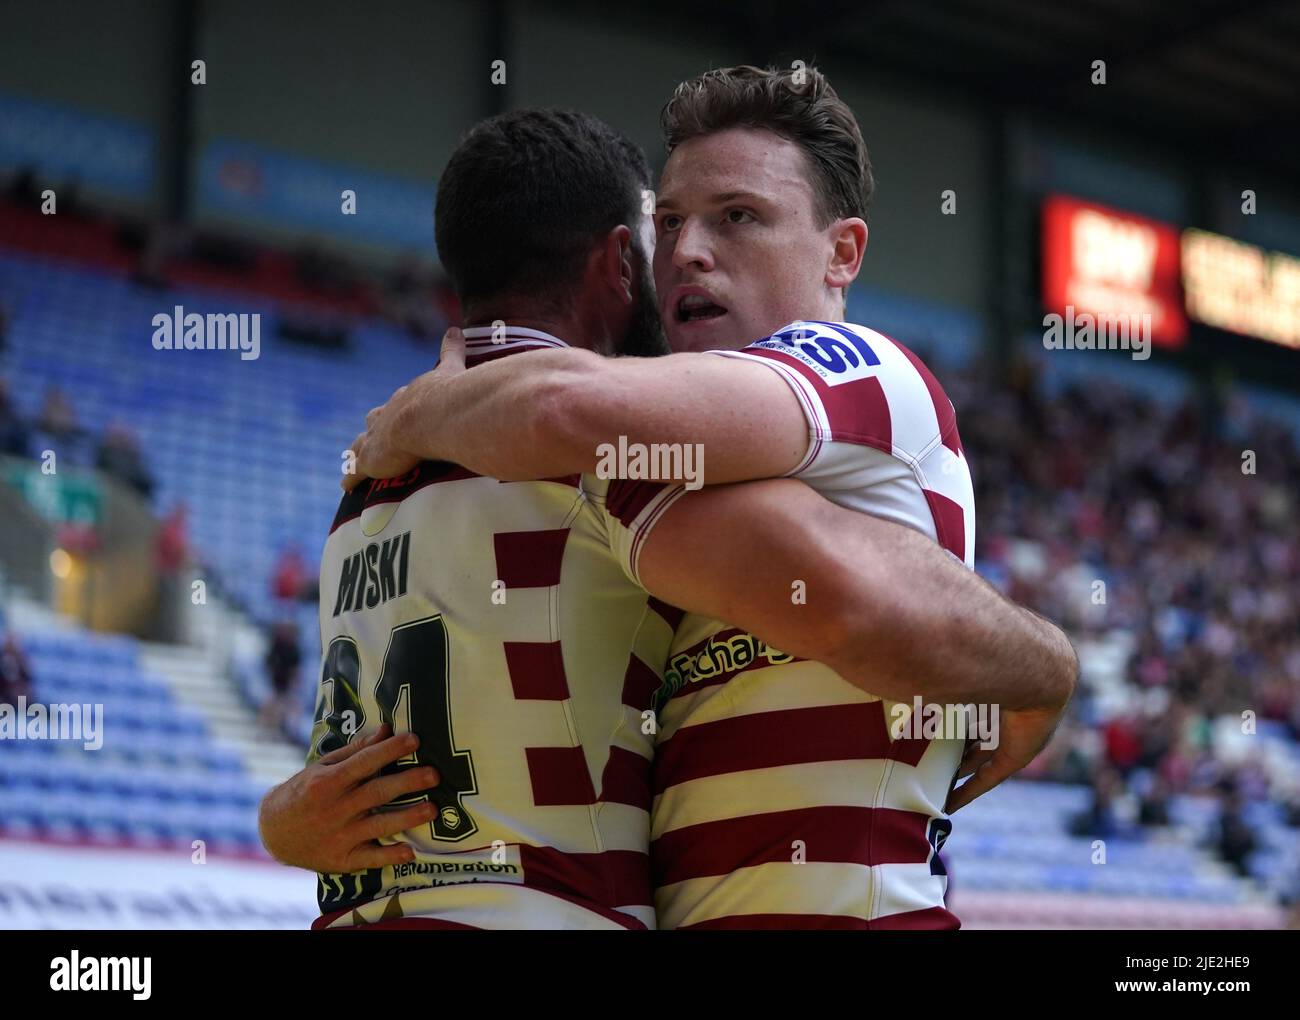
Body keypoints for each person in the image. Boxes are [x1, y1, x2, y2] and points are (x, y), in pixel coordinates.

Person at [261, 105, 1074, 930]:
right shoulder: (610, 461)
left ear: (843, 252)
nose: (686, 252)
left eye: (739, 218)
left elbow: (850, 601)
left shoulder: (373, 491)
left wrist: (1041, 669)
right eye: (669, 223)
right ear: (622, 259)